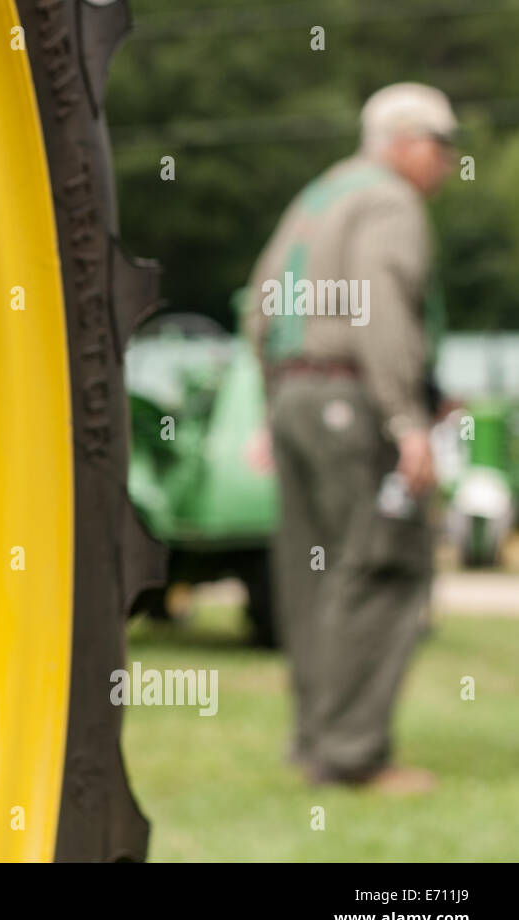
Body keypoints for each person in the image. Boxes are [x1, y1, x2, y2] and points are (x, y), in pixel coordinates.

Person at [244, 82, 457, 794]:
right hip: (354, 399)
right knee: (382, 566)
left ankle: (314, 743)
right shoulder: (389, 201)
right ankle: (355, 753)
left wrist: (273, 404)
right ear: (402, 141)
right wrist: (406, 419)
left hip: (296, 396)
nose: (450, 164)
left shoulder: (317, 195)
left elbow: (261, 298)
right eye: (442, 144)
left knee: (311, 577)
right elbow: (381, 304)